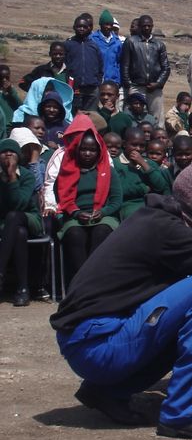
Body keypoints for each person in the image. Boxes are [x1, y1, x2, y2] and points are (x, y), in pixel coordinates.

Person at [50, 161, 192, 440]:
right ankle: (182, 413)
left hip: (88, 341)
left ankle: (108, 391)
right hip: (97, 344)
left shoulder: (153, 217)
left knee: (185, 321)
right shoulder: (166, 230)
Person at [49, 116, 122, 284]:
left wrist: (102, 212)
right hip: (75, 215)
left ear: (99, 151)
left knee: (102, 231)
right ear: (77, 149)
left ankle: (96, 283)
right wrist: (76, 212)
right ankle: (80, 284)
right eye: (84, 149)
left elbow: (116, 201)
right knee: (75, 234)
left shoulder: (108, 171)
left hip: (103, 214)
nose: (88, 153)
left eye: (92, 149)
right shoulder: (67, 171)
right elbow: (63, 199)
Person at [0, 139, 43, 306]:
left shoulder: (26, 175)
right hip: (6, 223)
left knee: (14, 216)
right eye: (4, 152)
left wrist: (11, 177)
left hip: (29, 217)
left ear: (19, 157)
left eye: (12, 152)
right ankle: (23, 289)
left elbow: (20, 204)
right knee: (19, 232)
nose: (8, 154)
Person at [121, 15, 170, 127]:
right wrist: (128, 84)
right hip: (136, 86)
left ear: (152, 26)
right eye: (144, 26)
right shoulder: (131, 42)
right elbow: (125, 65)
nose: (147, 28)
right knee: (132, 114)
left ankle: (157, 139)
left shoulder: (159, 44)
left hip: (154, 87)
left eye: (149, 26)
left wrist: (158, 83)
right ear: (139, 26)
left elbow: (166, 67)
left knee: (157, 117)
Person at [114, 127, 171, 219]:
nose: (138, 149)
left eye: (142, 146)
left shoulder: (149, 163)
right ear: (124, 144)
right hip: (128, 205)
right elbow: (120, 189)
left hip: (151, 203)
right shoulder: (116, 164)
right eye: (134, 145)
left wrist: (144, 164)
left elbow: (161, 186)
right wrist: (143, 188)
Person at [65, 14, 104, 111]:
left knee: (91, 117)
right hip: (74, 88)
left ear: (90, 29)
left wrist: (97, 82)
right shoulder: (68, 45)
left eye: (84, 27)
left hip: (92, 89)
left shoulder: (94, 46)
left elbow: (100, 66)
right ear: (74, 27)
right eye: (79, 26)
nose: (82, 29)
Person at [90, 10, 123, 86]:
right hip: (96, 82)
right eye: (106, 24)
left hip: (113, 82)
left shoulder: (117, 42)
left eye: (110, 25)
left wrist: (118, 80)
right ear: (101, 24)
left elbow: (118, 63)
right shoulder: (92, 39)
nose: (108, 27)